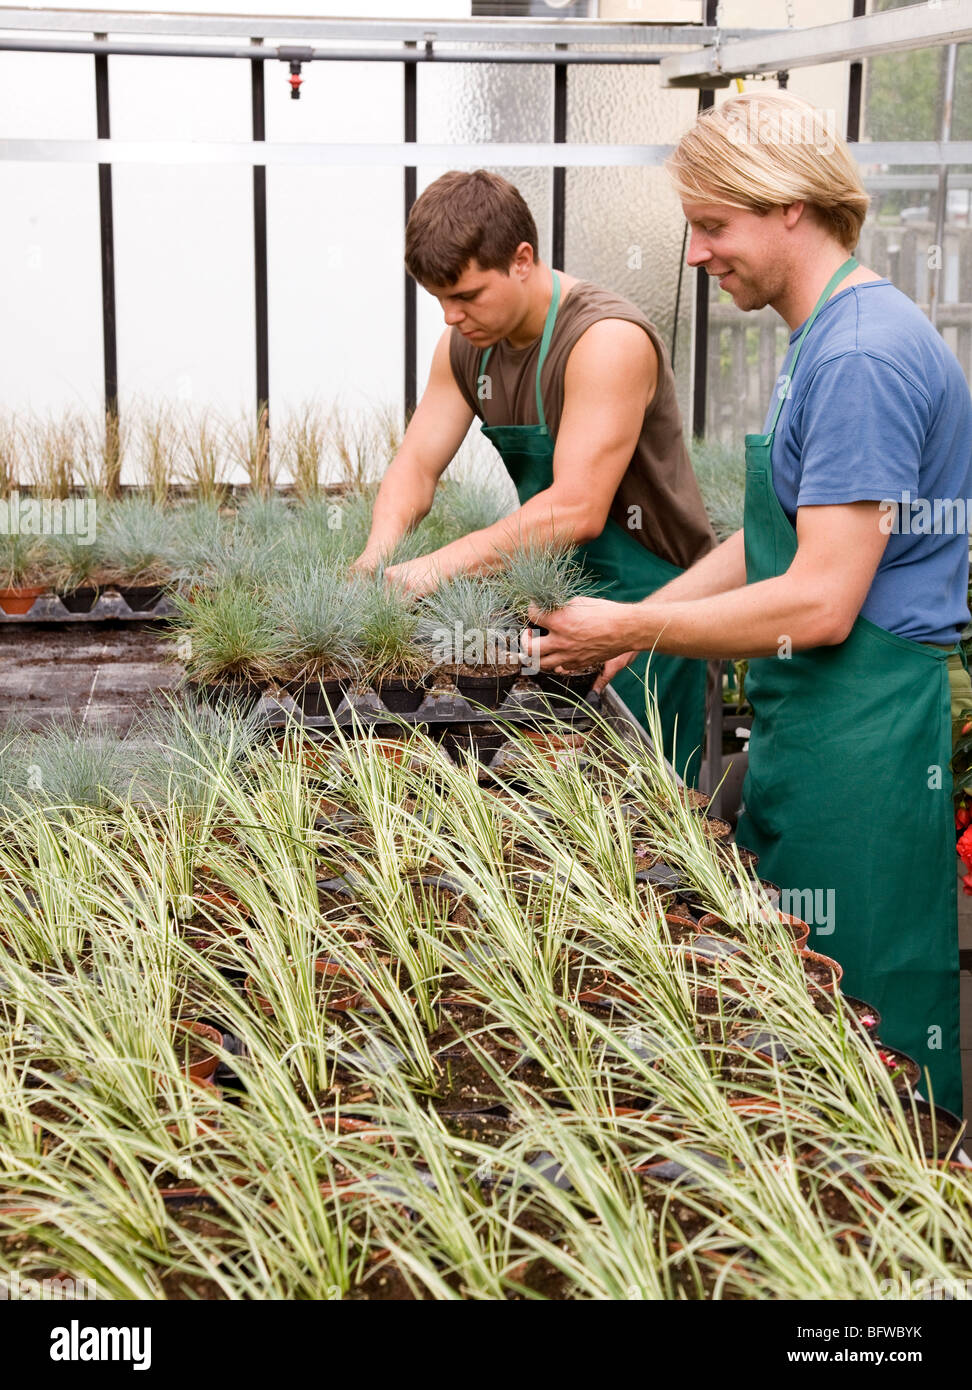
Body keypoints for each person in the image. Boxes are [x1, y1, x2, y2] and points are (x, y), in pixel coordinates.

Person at [529, 92, 972, 1117]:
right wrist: (627, 641)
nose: (694, 253)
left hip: (858, 749)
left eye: (713, 224)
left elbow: (818, 600)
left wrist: (636, 622)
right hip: (818, 732)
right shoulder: (827, 334)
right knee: (805, 1031)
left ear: (789, 209)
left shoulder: (860, 358)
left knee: (864, 1056)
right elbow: (771, 542)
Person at [352, 169, 715, 781]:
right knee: (558, 815)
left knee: (647, 828)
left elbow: (576, 507)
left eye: (466, 295)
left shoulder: (605, 341)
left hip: (648, 615)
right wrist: (378, 557)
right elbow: (416, 464)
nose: (449, 316)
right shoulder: (467, 346)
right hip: (555, 601)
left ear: (522, 260)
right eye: (438, 298)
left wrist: (431, 569)